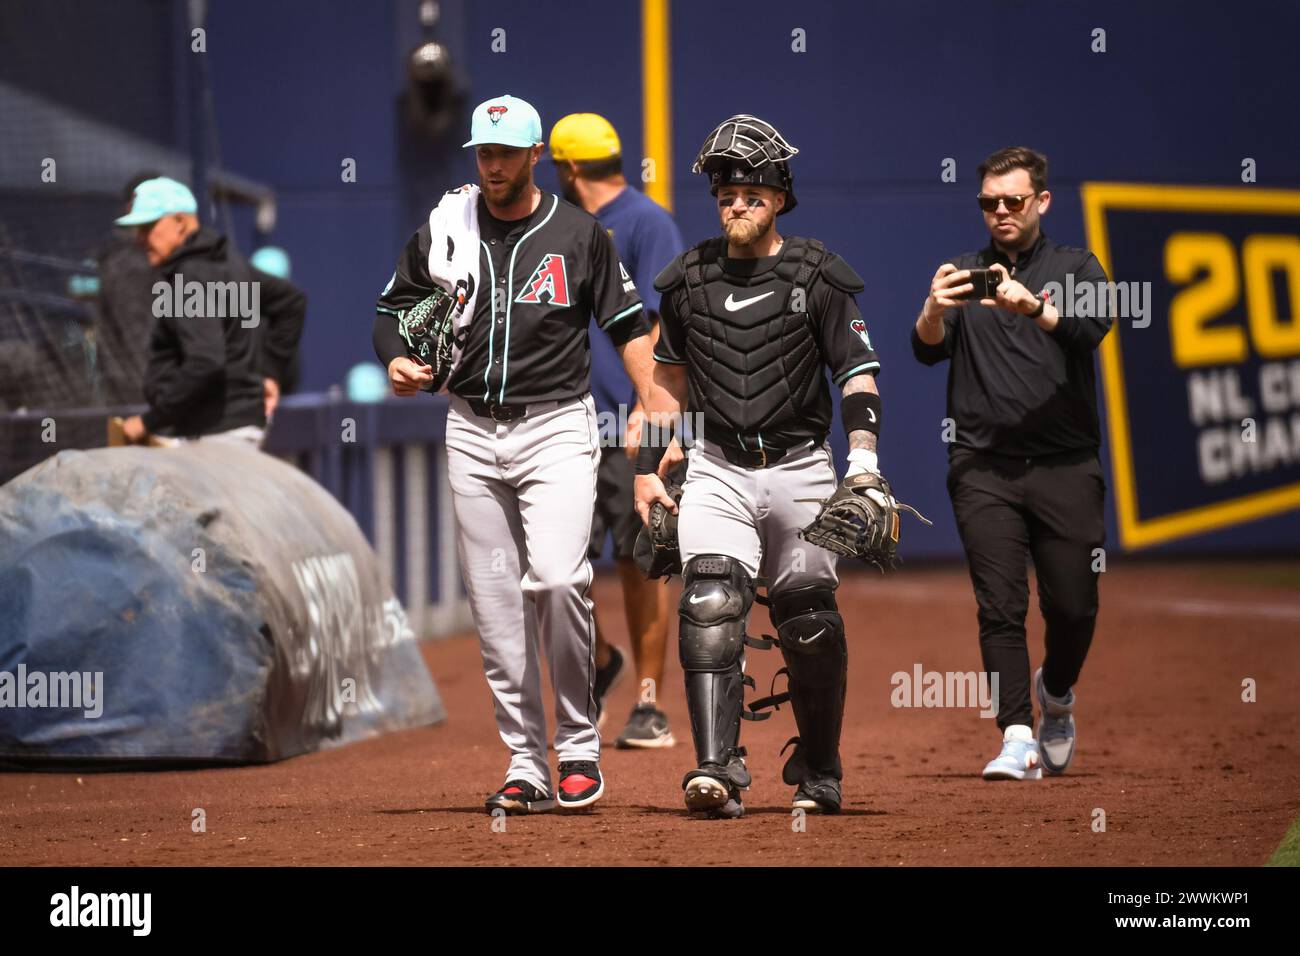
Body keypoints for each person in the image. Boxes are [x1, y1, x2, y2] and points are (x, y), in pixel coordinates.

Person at [373, 94, 657, 814]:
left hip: (557, 427)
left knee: (558, 581)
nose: (491, 164)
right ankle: (526, 759)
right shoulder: (447, 226)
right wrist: (398, 359)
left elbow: (628, 324)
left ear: (537, 157)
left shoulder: (580, 234)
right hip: (469, 427)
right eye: (483, 152)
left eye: (505, 152)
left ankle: (580, 744)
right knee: (497, 604)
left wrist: (656, 409)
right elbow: (392, 311)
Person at [634, 115, 887, 818]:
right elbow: (672, 382)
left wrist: (863, 465)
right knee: (709, 601)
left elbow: (859, 373)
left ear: (777, 198)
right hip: (717, 466)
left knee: (809, 618)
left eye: (748, 193)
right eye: (724, 195)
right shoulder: (687, 281)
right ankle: (716, 768)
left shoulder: (818, 276)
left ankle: (823, 767)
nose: (734, 205)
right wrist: (667, 458)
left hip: (802, 465)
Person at [911, 146, 1112, 781]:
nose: (999, 211)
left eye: (1013, 201)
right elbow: (923, 353)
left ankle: (1055, 693)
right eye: (988, 202)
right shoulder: (966, 271)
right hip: (982, 467)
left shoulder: (1077, 266)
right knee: (999, 606)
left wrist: (1034, 307)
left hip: (1066, 464)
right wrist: (933, 311)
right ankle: (1016, 734)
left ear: (1041, 202)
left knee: (1074, 606)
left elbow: (1093, 328)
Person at [549, 112, 685, 748]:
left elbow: (661, 320)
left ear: (569, 168)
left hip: (627, 419)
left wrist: (647, 402)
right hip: (564, 421)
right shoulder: (559, 224)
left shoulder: (646, 222)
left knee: (643, 562)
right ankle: (603, 661)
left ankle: (650, 701)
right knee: (557, 565)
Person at [116, 177, 306, 445]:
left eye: (147, 226)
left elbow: (205, 361)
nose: (140, 238)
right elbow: (292, 300)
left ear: (180, 222)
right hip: (238, 428)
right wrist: (271, 373)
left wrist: (150, 421)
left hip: (214, 434)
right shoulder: (228, 261)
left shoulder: (190, 275)